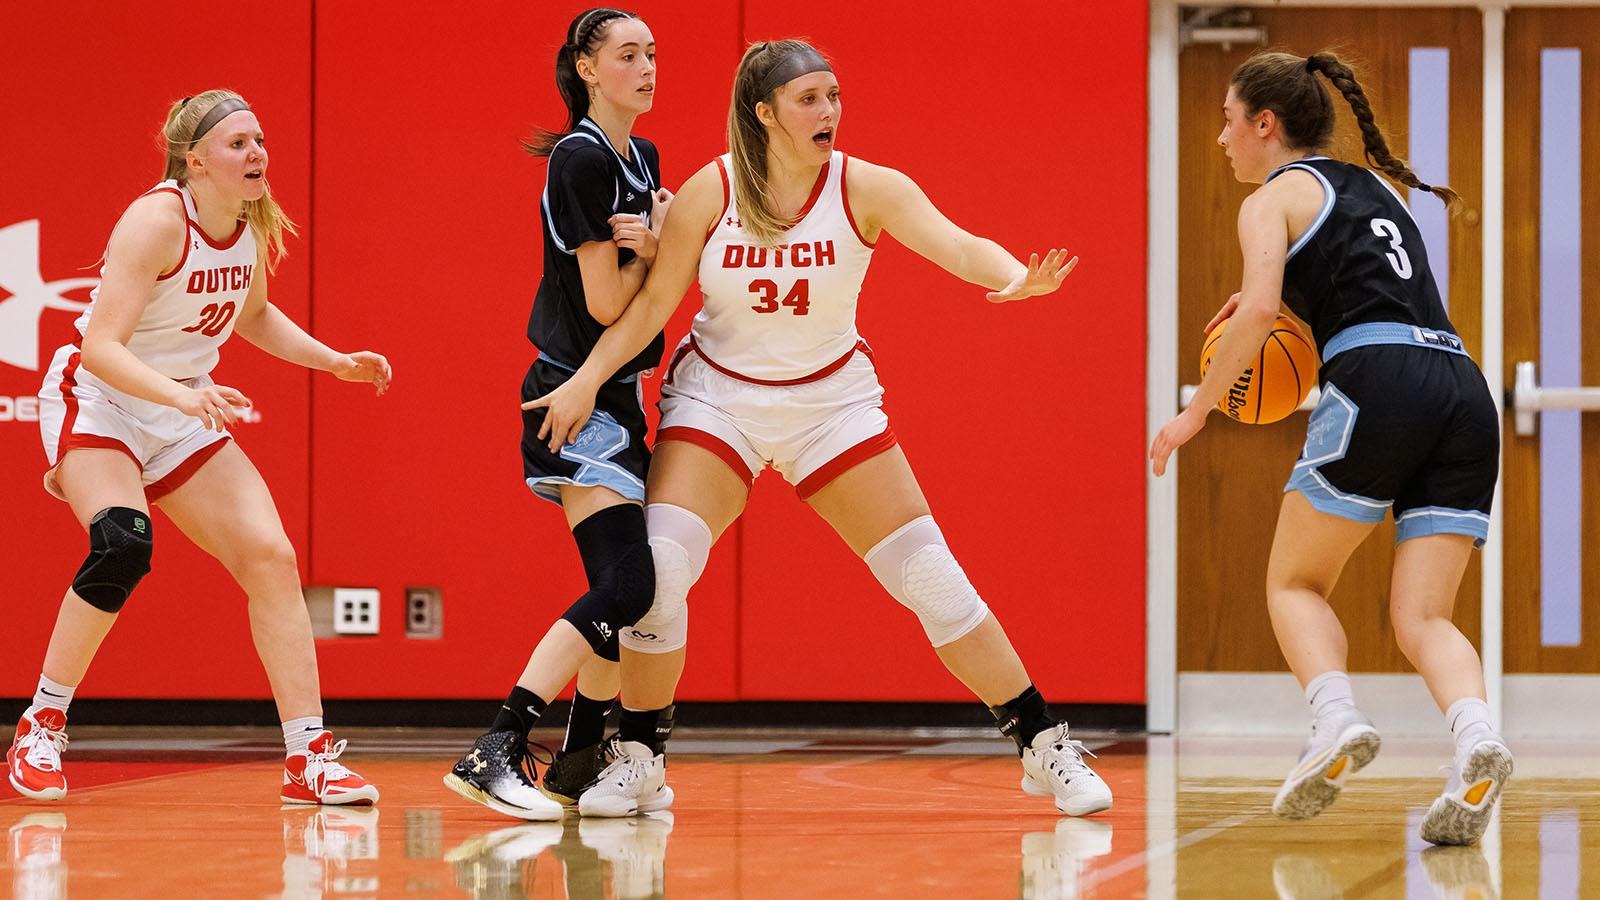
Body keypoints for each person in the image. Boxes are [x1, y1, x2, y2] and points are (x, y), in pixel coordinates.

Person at [526, 39, 1114, 820]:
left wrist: (1012, 278)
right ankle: (639, 755)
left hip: (829, 407)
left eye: (834, 96)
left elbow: (958, 242)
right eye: (809, 99)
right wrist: (588, 380)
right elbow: (651, 307)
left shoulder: (866, 187)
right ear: (764, 113)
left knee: (933, 581)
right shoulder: (713, 187)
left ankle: (1044, 746)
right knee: (660, 575)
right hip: (718, 404)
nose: (829, 111)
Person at [1149, 50, 1509, 846]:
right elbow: (1359, 280)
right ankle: (1478, 739)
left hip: (1379, 379)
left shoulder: (1271, 199)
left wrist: (1195, 413)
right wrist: (1293, 312)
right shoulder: (1378, 187)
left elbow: (1255, 320)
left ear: (1264, 124)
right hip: (1460, 384)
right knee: (1424, 616)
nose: (1222, 139)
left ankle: (1335, 721)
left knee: (1295, 583)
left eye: (1227, 120)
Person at [9, 89, 389, 806]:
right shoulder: (157, 219)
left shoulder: (245, 224)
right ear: (196, 161)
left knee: (272, 559)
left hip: (179, 403)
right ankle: (41, 723)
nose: (258, 154)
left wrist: (333, 360)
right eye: (239, 143)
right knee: (123, 544)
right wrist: (185, 396)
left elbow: (256, 315)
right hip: (104, 399)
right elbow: (98, 349)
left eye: (261, 140)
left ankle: (307, 756)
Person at [443, 7, 673, 821]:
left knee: (615, 594)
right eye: (626, 54)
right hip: (573, 394)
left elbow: (653, 276)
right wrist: (651, 255)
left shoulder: (640, 156)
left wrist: (653, 248)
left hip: (621, 398)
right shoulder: (580, 158)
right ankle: (497, 745)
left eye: (651, 53)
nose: (646, 67)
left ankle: (577, 761)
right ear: (585, 66)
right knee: (631, 583)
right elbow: (612, 302)